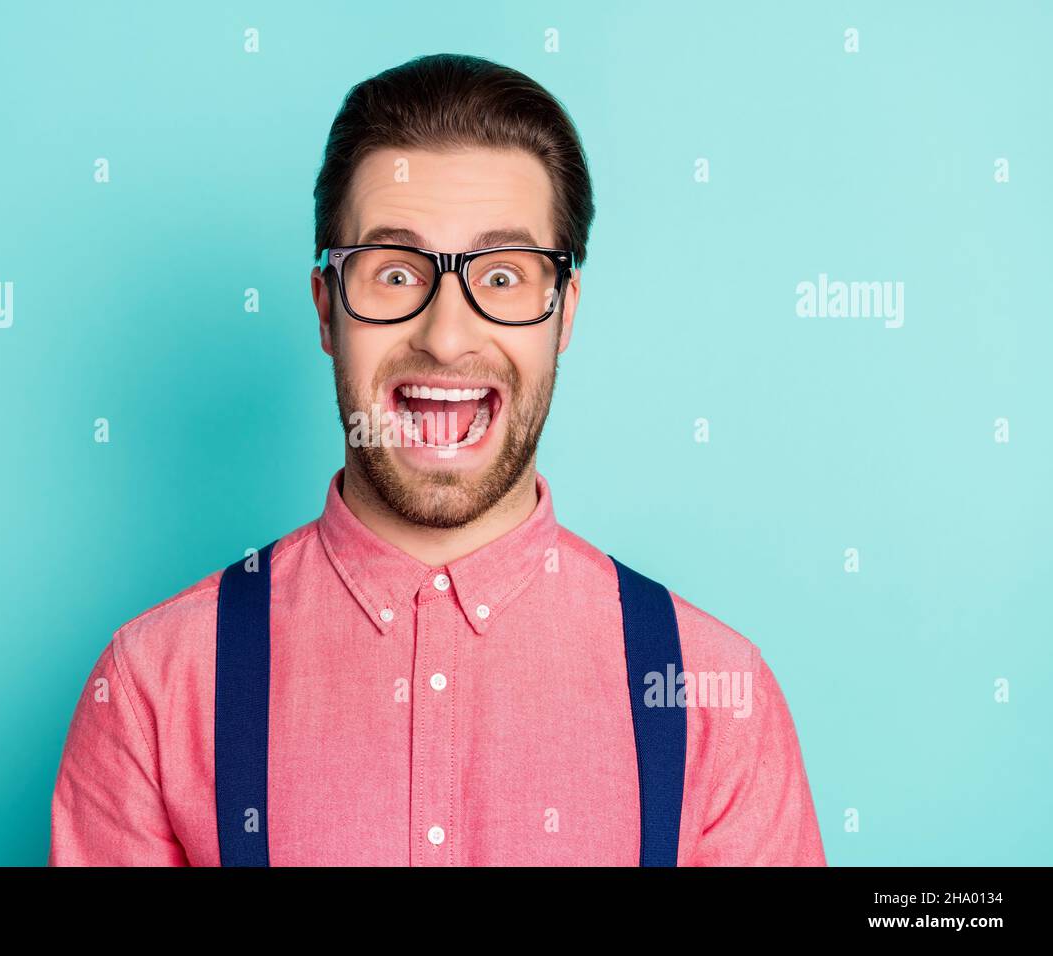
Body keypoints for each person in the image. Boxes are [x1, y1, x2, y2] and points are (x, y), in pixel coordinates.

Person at [48, 53, 825, 866]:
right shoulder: (153, 688)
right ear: (326, 311)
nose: (446, 335)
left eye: (502, 275)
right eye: (394, 274)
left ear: (562, 317)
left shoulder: (713, 696)